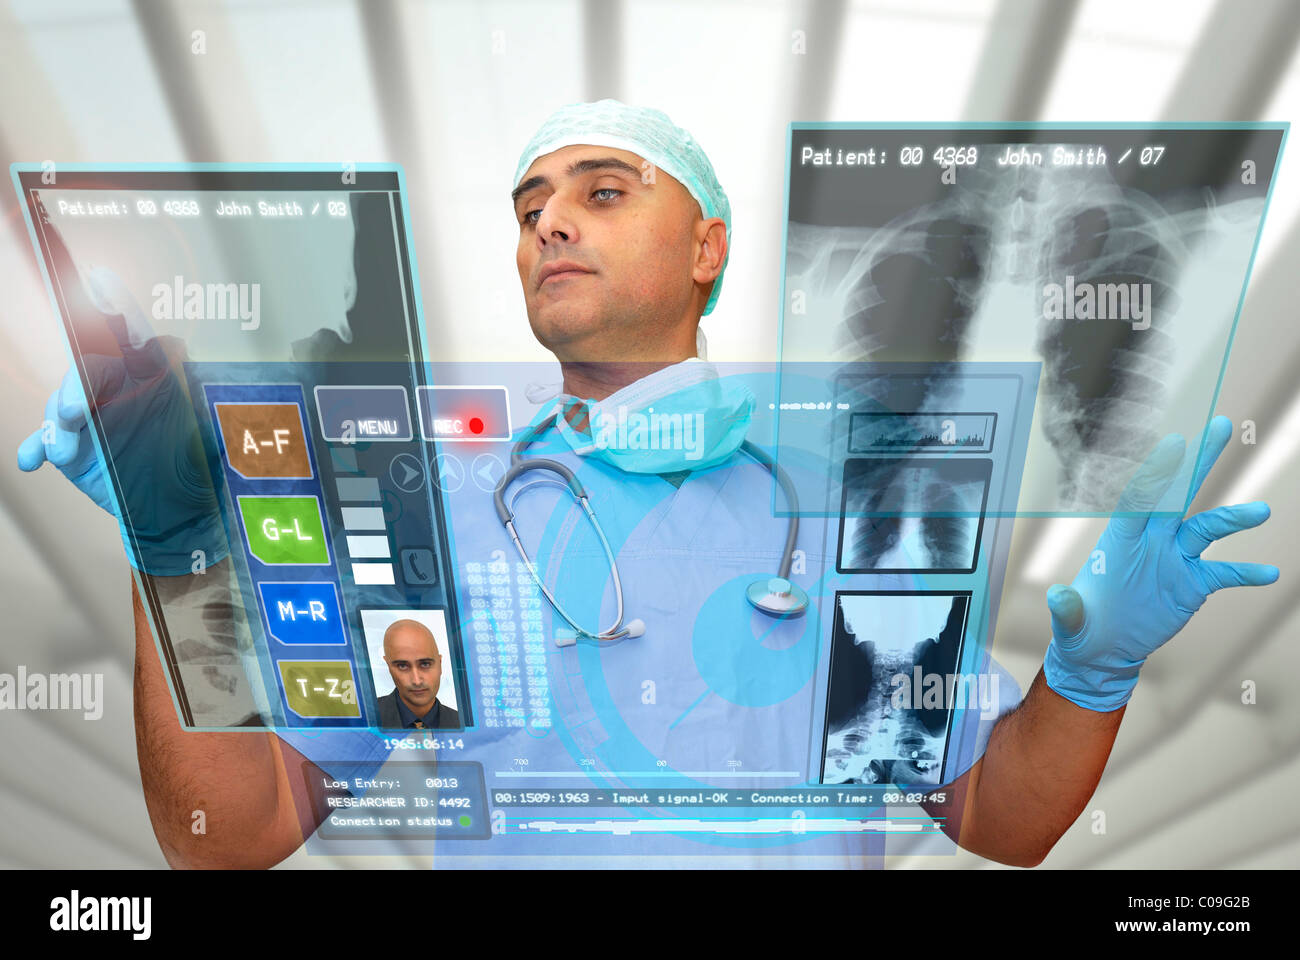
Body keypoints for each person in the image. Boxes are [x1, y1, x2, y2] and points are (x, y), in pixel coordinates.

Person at [17, 100, 1278, 868]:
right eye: (529, 208)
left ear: (708, 248)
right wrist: (179, 553)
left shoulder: (852, 505)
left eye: (601, 192)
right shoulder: (434, 521)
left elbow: (997, 817)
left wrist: (1090, 674)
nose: (549, 224)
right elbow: (230, 837)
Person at [375, 619, 460, 730]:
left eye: (425, 664)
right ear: (388, 667)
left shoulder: (465, 724)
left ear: (440, 664)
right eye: (402, 666)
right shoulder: (361, 720)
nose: (417, 681)